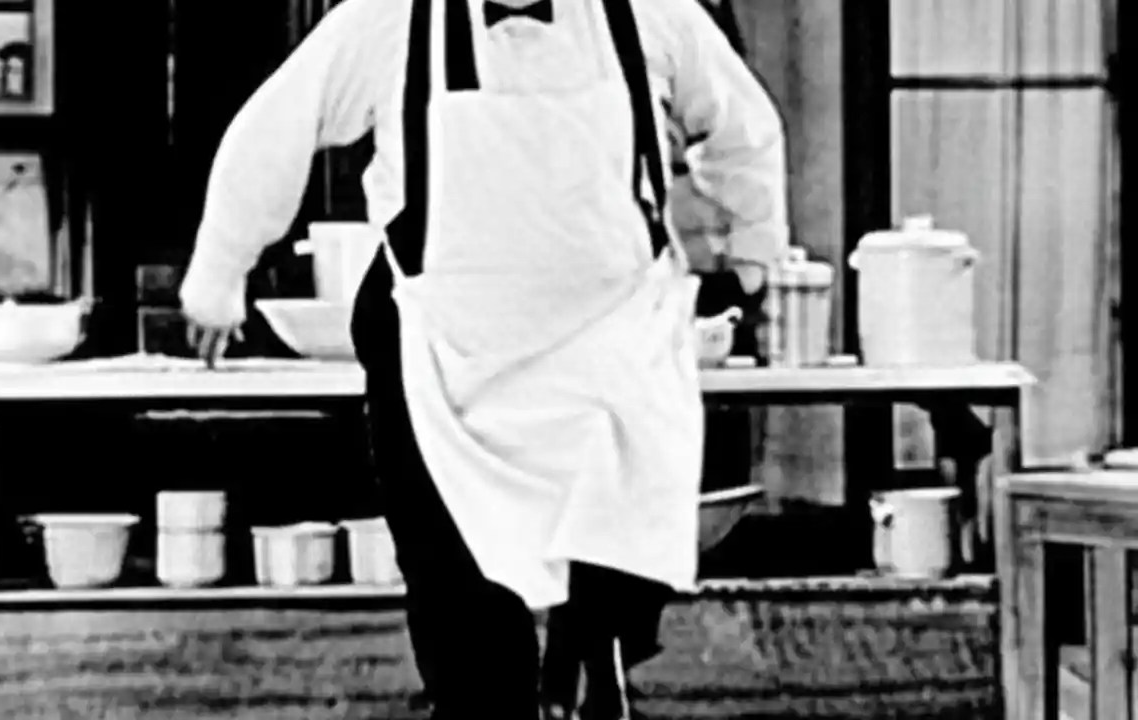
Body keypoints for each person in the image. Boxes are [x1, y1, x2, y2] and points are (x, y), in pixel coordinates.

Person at [180, 0, 787, 718]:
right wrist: (220, 271)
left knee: (614, 547)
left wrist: (756, 246)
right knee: (462, 605)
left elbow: (744, 128)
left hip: (607, 341)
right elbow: (275, 128)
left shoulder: (652, 13)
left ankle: (591, 657)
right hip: (448, 353)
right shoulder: (389, 21)